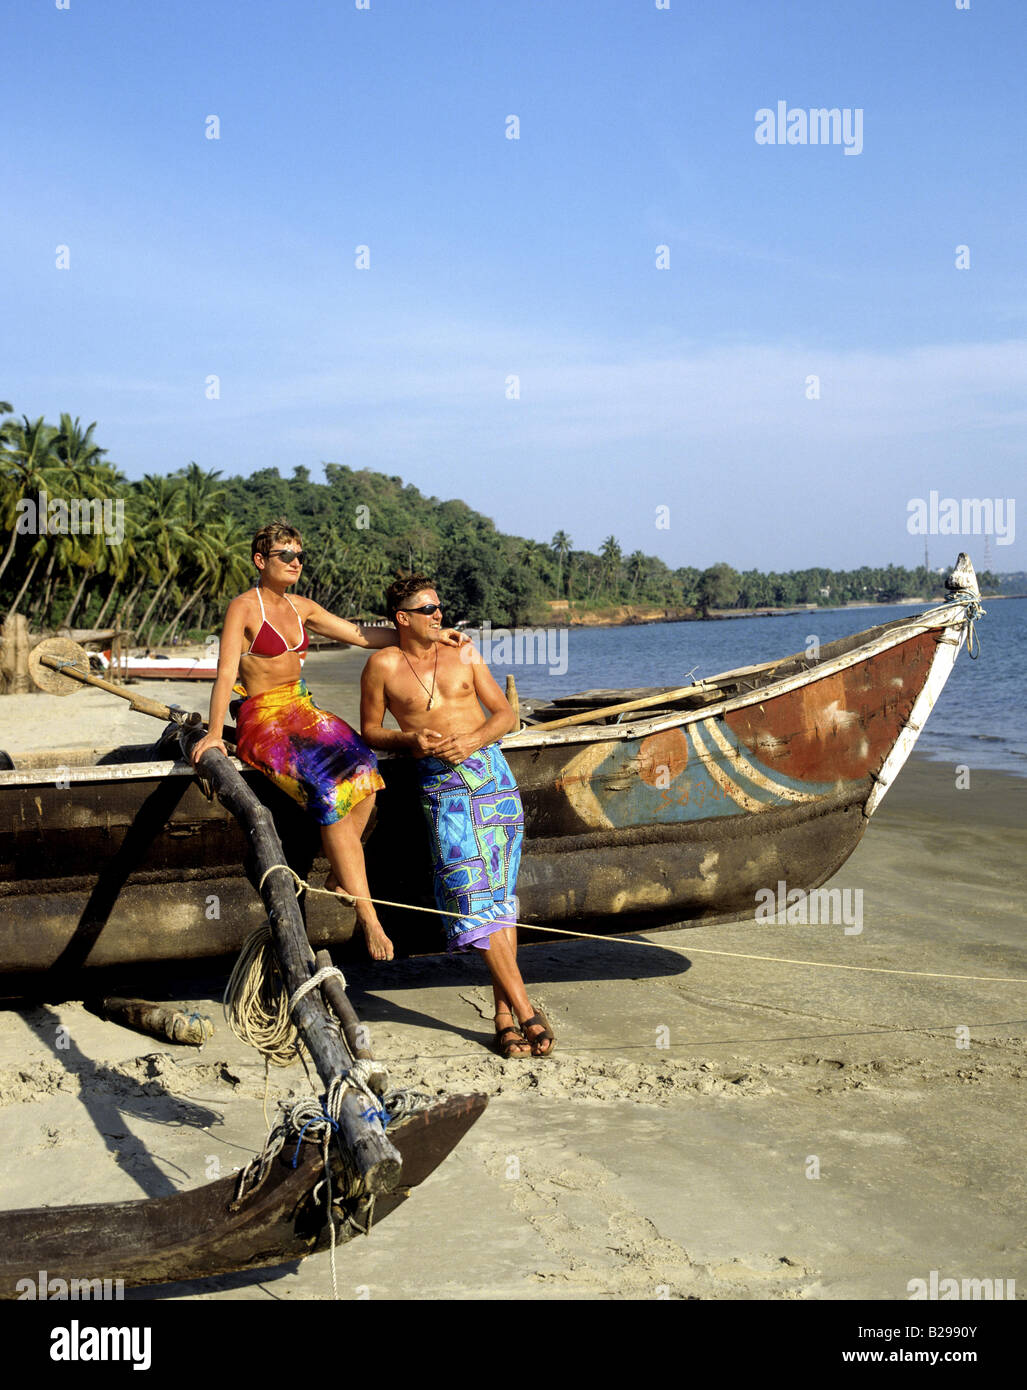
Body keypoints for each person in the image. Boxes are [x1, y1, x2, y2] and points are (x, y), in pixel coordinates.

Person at [189, 522, 466, 961]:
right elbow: (225, 673)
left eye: (299, 555)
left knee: (365, 769)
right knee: (328, 788)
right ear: (261, 561)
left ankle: (342, 876)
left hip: (302, 709)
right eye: (286, 555)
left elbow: (361, 635)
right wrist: (213, 733)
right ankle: (369, 917)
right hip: (263, 718)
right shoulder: (243, 607)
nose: (296, 562)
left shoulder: (303, 607)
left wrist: (429, 632)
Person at [359, 575, 555, 1058]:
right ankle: (527, 1009)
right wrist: (409, 740)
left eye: (440, 607)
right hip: (443, 790)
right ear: (402, 618)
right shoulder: (382, 665)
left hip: (493, 780)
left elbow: (504, 714)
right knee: (471, 898)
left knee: (499, 902)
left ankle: (503, 1017)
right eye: (427, 609)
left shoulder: (464, 651)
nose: (438, 615)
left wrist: (475, 739)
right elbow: (368, 731)